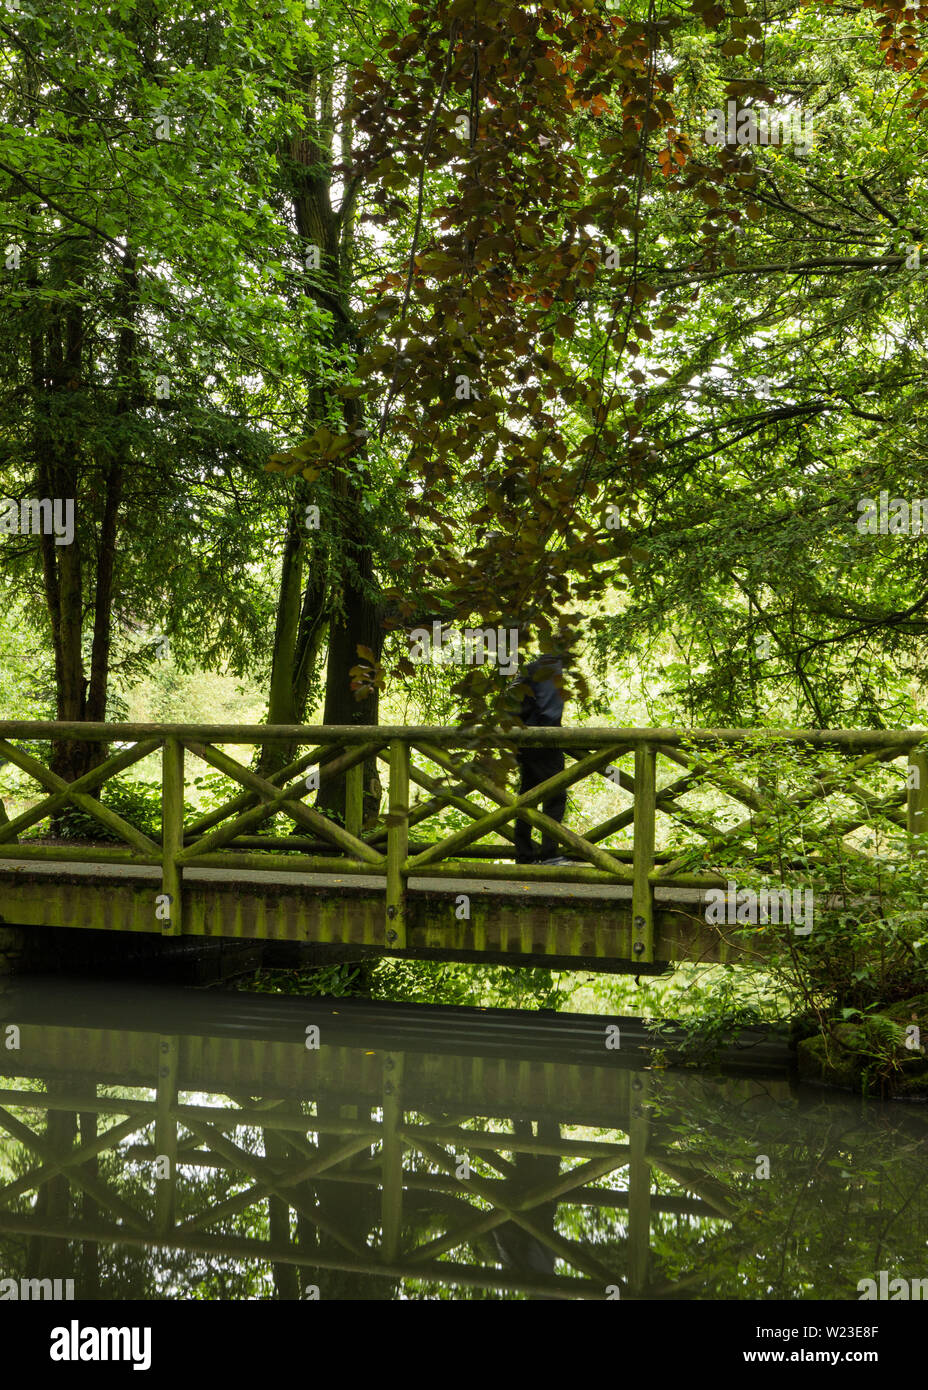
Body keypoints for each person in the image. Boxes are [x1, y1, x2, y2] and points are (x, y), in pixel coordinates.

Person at [508, 643, 573, 866]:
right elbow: (549, 708)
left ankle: (524, 855)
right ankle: (549, 855)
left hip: (521, 739)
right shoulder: (551, 669)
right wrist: (553, 737)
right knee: (555, 796)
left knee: (527, 798)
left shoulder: (533, 667)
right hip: (541, 740)